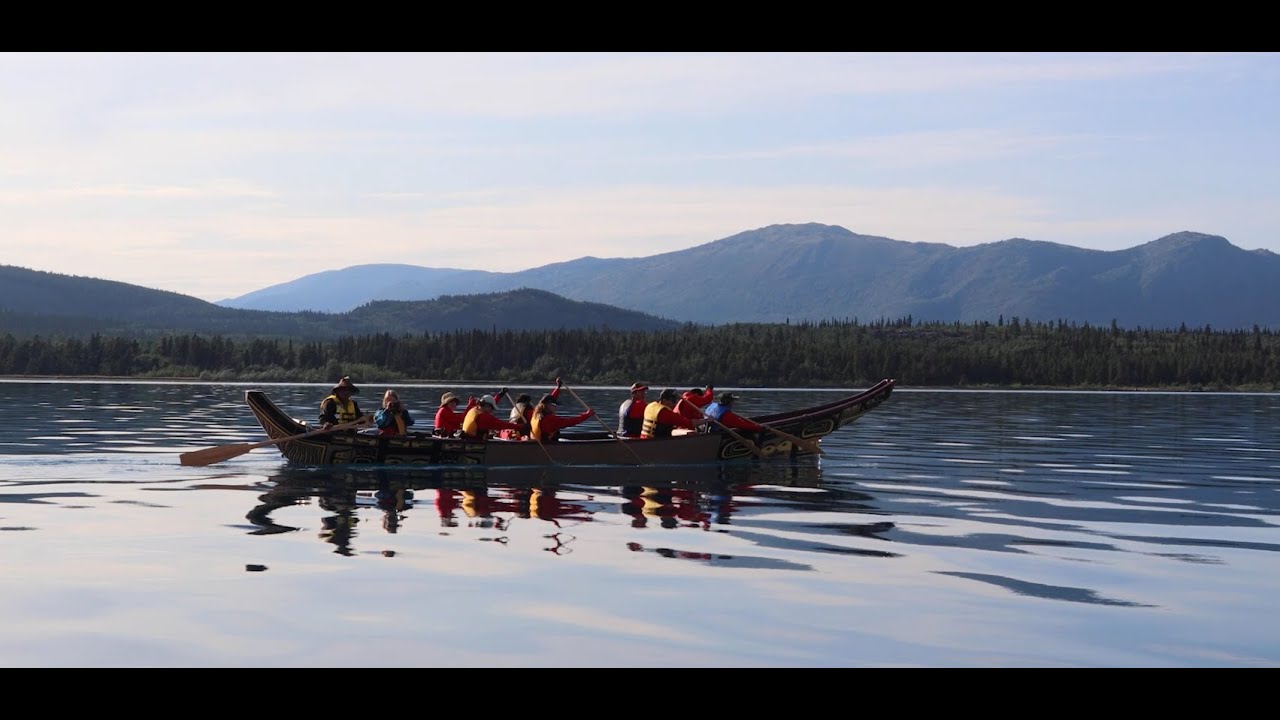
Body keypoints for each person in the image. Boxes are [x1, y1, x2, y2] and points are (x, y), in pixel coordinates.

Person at [640, 388, 708, 438]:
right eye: (672, 401)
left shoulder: (650, 405)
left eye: (675, 401)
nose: (674, 404)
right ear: (664, 400)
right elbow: (690, 423)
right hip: (656, 443)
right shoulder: (665, 413)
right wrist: (707, 420)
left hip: (644, 438)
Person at [529, 394, 595, 443]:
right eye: (554, 405)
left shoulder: (535, 414)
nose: (555, 407)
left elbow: (545, 400)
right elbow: (570, 422)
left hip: (536, 441)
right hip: (546, 445)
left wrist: (558, 387)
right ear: (547, 405)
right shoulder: (551, 419)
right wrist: (587, 415)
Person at [701, 392, 766, 434]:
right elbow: (743, 425)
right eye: (732, 401)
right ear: (730, 402)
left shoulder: (712, 406)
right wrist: (760, 428)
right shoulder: (727, 415)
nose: (733, 403)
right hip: (718, 434)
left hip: (710, 430)